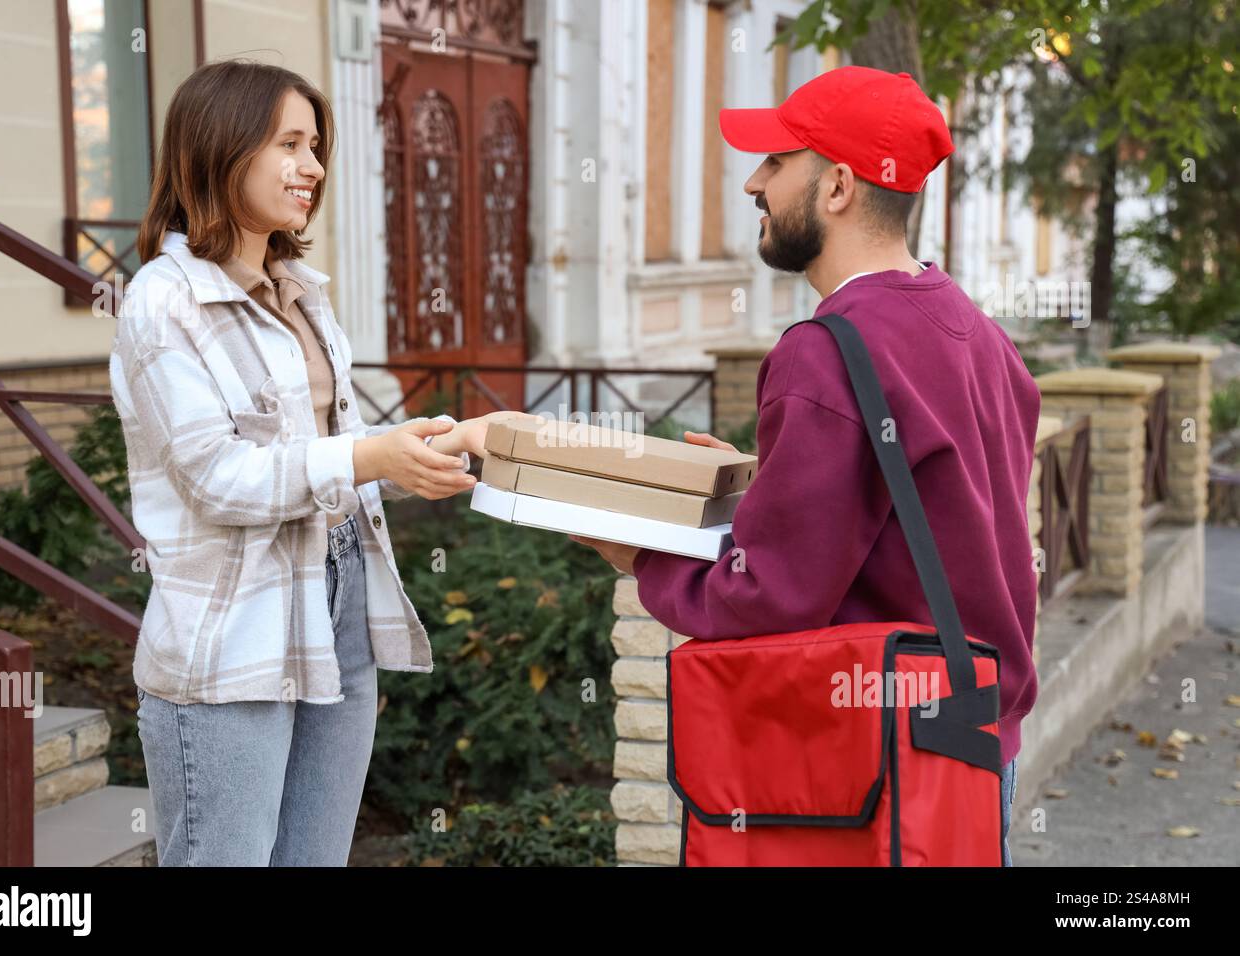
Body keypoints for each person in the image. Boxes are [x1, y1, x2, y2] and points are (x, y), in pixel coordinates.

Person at [573, 66, 1039, 866]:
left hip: (872, 769)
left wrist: (644, 557)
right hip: (974, 742)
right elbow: (938, 502)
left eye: (777, 162)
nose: (753, 182)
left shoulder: (825, 353)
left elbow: (770, 597)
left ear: (837, 188)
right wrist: (773, 475)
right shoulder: (976, 333)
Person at [111, 59, 526, 865]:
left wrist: (444, 441)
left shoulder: (297, 288)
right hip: (230, 639)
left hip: (338, 602)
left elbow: (332, 445)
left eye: (316, 145)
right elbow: (217, 479)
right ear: (220, 148)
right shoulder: (164, 301)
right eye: (289, 145)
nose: (313, 167)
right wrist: (372, 455)